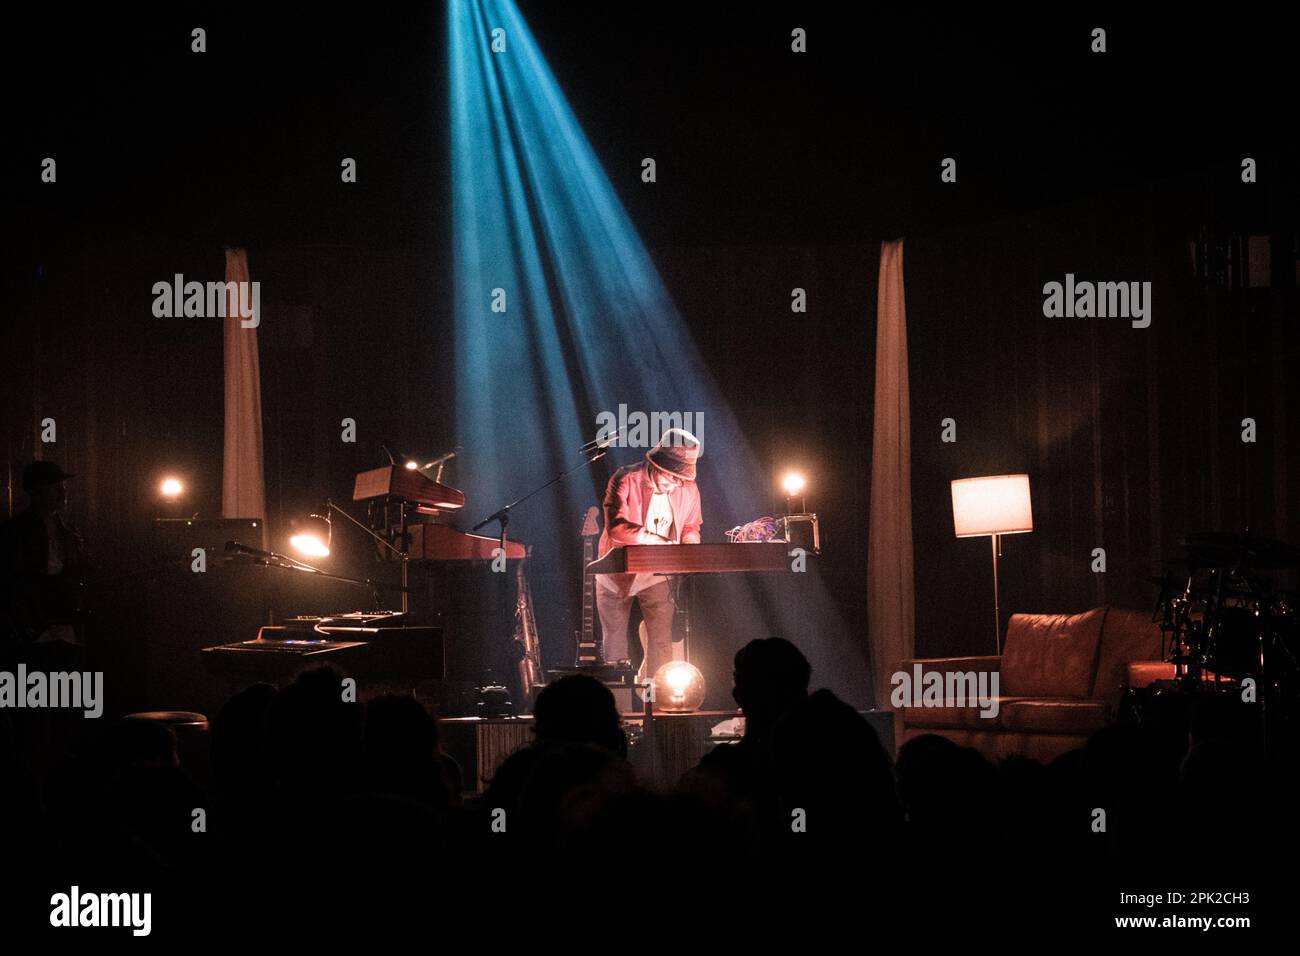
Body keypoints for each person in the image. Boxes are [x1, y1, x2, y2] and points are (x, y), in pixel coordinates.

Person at [594, 428, 702, 679]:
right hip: (616, 571)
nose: (676, 483)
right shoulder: (624, 478)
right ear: (657, 466)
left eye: (681, 479)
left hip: (657, 574)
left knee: (662, 644)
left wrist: (690, 546)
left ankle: (659, 703)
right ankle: (617, 706)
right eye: (672, 477)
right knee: (614, 648)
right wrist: (662, 543)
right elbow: (617, 528)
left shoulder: (687, 487)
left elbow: (691, 525)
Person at [0, 461, 89, 660]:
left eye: (63, 488)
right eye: (55, 488)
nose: (62, 493)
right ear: (37, 491)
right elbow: (12, 583)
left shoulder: (68, 530)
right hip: (34, 628)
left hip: (64, 622)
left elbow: (76, 572)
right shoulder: (15, 533)